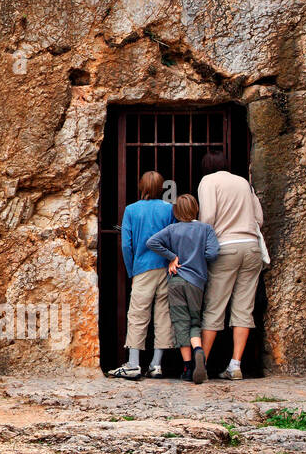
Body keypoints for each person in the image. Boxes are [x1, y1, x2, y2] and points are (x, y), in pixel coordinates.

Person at [198, 151, 266, 380]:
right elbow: (259, 218)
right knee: (243, 308)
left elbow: (207, 219)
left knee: (214, 307)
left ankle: (202, 365)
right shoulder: (243, 183)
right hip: (251, 247)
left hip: (226, 247)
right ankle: (235, 365)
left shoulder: (208, 181)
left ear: (206, 166)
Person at [146, 194, 220, 384]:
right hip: (197, 282)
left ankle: (187, 368)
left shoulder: (172, 229)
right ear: (196, 209)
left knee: (180, 322)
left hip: (176, 280)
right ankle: (198, 351)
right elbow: (213, 253)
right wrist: (198, 258)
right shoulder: (206, 229)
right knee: (195, 321)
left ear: (176, 211)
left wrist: (172, 257)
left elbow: (152, 242)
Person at [108, 170, 175, 379]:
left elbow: (126, 244)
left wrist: (131, 269)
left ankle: (134, 363)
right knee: (164, 314)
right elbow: (173, 237)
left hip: (142, 267)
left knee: (138, 314)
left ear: (142, 187)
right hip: (165, 267)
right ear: (161, 187)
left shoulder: (131, 210)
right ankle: (156, 365)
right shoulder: (169, 209)